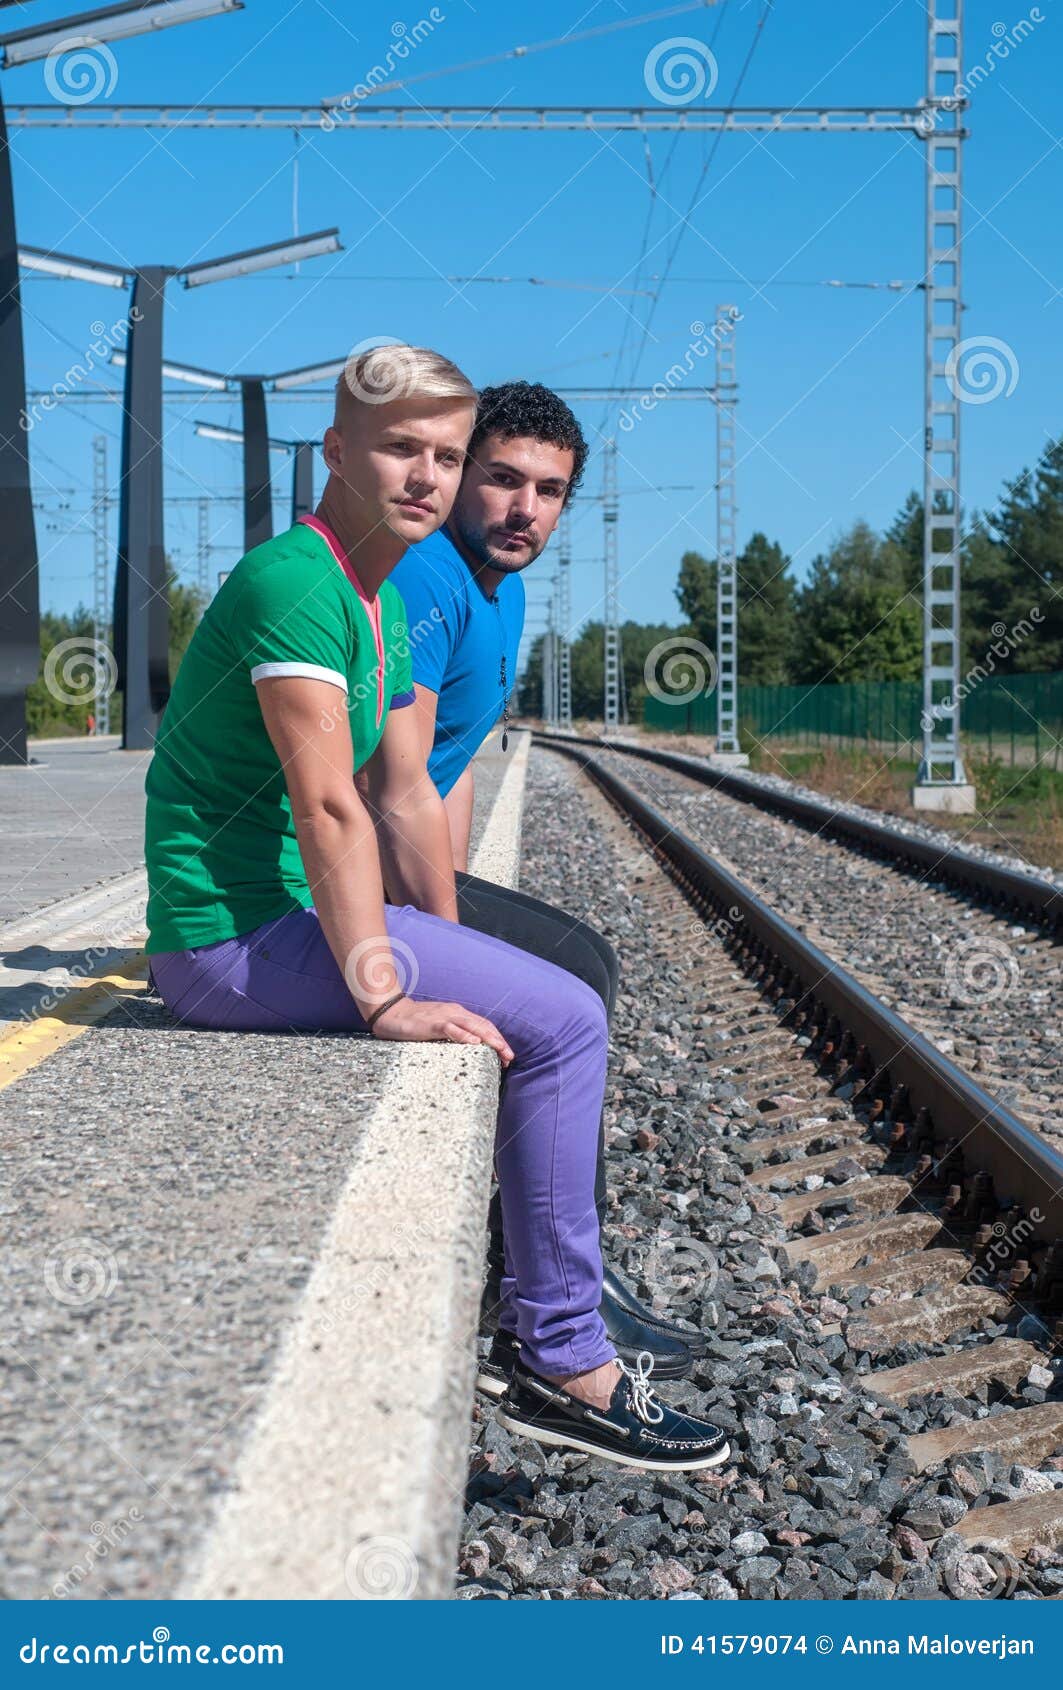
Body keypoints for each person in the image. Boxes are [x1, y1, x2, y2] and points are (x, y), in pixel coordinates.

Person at [142, 343, 727, 1473]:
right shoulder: (299, 581)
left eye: (445, 456)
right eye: (400, 448)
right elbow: (331, 804)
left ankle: (557, 1316)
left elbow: (402, 786)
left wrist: (432, 948)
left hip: (273, 919)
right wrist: (385, 990)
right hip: (230, 938)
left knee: (558, 998)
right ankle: (562, 1354)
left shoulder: (366, 596)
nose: (426, 476)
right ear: (337, 451)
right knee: (562, 1020)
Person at [385, 382, 707, 1390]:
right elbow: (390, 784)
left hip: (404, 862)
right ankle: (542, 1290)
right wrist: (449, 940)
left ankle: (551, 1268)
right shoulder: (424, 581)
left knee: (587, 962)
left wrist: (463, 883)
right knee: (570, 978)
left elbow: (454, 759)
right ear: (459, 475)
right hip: (341, 874)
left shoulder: (503, 587)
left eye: (550, 490)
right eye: (504, 479)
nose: (526, 507)